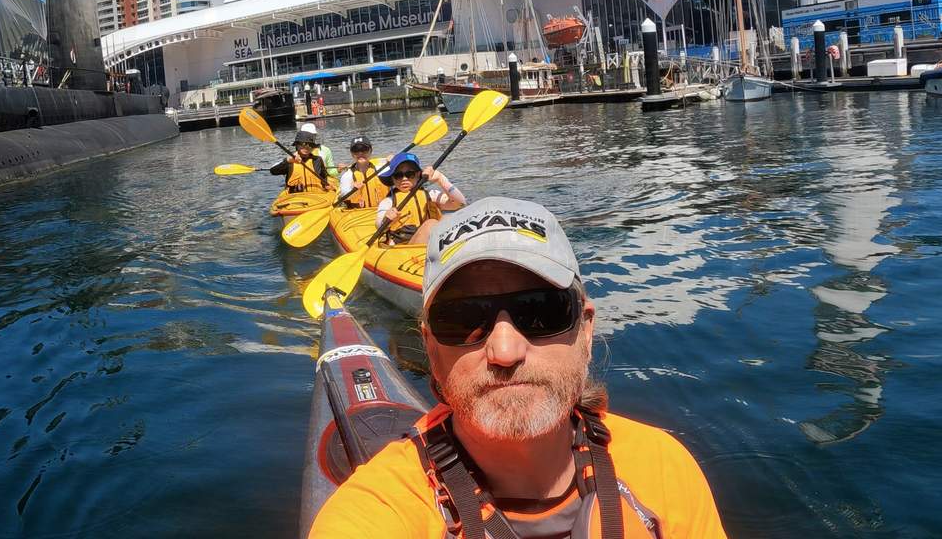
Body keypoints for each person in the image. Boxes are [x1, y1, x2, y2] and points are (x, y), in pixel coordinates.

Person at [311, 198, 727, 538]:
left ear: (585, 330)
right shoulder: (377, 510)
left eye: (541, 313)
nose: (505, 351)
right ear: (429, 349)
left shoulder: (665, 469)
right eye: (462, 319)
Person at [375, 153, 466, 245]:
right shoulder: (388, 202)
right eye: (398, 175)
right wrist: (386, 219)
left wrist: (440, 179)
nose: (404, 179)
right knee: (430, 224)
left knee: (448, 218)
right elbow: (378, 225)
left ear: (418, 175)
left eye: (410, 174)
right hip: (405, 249)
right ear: (392, 178)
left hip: (430, 244)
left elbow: (460, 204)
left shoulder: (431, 195)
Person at [270, 127, 331, 193]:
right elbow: (273, 171)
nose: (306, 147)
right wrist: (287, 161)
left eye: (310, 144)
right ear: (297, 145)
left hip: (316, 195)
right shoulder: (290, 161)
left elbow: (323, 176)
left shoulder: (317, 160)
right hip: (295, 197)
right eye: (303, 144)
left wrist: (326, 185)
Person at [338, 136, 389, 210]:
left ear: (370, 151)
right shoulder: (347, 175)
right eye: (356, 150)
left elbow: (400, 175)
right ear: (352, 154)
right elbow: (344, 195)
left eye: (364, 150)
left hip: (382, 211)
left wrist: (395, 160)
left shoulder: (381, 170)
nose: (360, 153)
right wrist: (353, 190)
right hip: (359, 215)